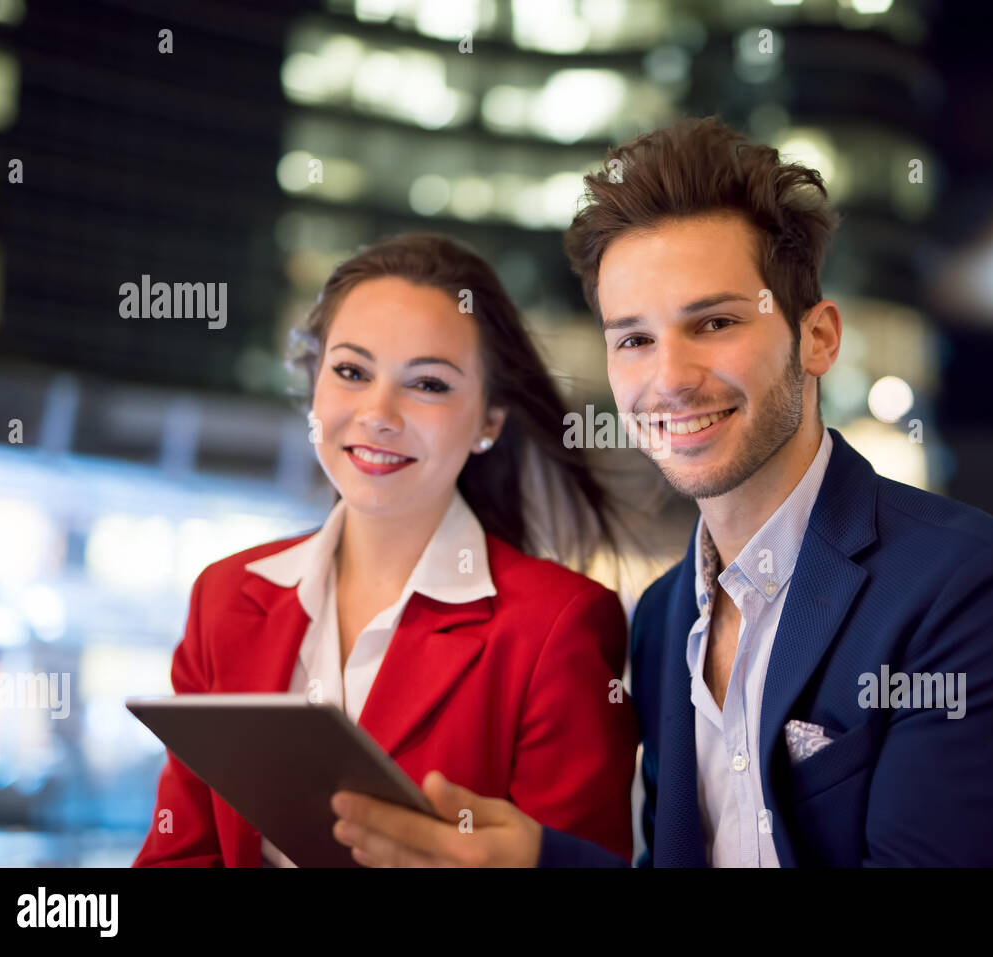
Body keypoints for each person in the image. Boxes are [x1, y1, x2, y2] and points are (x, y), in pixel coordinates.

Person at [326, 117, 993, 868]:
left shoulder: (970, 595)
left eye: (712, 324)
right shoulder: (667, 620)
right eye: (633, 339)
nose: (668, 378)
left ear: (818, 336)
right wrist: (537, 857)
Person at [132, 233, 637, 867]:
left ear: (489, 421)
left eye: (427, 384)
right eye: (351, 372)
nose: (378, 413)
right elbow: (180, 856)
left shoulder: (555, 627)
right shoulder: (226, 597)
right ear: (314, 385)